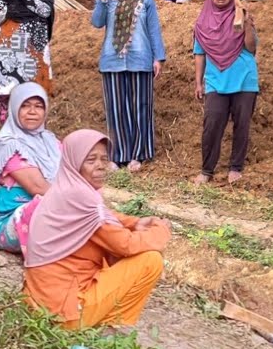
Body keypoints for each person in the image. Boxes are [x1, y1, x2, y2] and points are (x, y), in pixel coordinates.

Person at [21, 129, 172, 329]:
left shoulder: (65, 189)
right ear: (74, 163)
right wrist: (161, 230)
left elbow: (103, 217)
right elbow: (125, 245)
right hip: (65, 314)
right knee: (150, 260)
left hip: (40, 305)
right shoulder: (81, 198)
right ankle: (110, 327)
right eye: (91, 160)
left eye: (104, 159)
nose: (100, 166)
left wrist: (134, 223)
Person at [91, 0, 166, 172]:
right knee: (116, 109)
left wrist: (158, 57)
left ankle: (139, 154)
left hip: (140, 59)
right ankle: (118, 155)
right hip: (112, 61)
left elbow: (153, 29)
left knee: (140, 107)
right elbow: (97, 22)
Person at [0, 83, 62, 253]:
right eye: (25, 106)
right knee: (56, 211)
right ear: (14, 108)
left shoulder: (50, 140)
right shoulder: (11, 144)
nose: (32, 111)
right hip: (5, 221)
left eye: (38, 106)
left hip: (42, 209)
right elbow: (38, 188)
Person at [192, 0, 259, 184]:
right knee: (212, 123)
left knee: (242, 124)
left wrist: (246, 22)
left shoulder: (240, 16)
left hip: (244, 79)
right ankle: (207, 170)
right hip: (215, 80)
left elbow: (251, 47)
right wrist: (198, 82)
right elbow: (199, 54)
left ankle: (236, 167)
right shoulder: (202, 23)